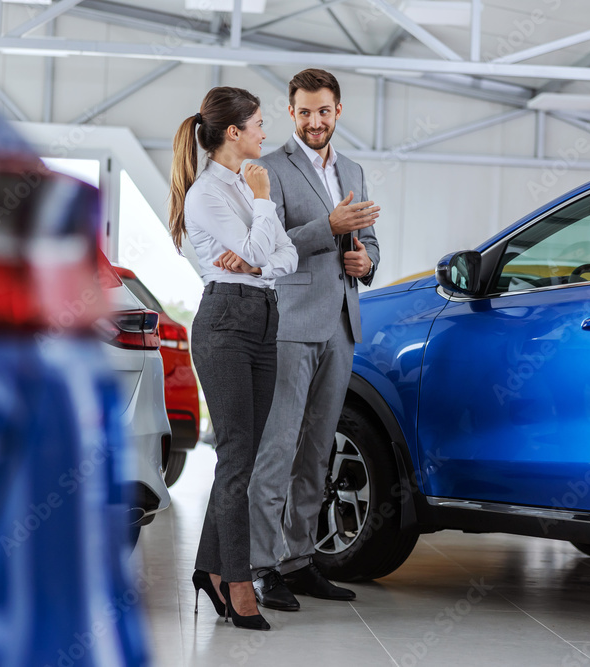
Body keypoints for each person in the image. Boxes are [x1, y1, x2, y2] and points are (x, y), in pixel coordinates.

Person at [248, 69, 380, 611]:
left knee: (318, 451)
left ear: (338, 111)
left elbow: (368, 240)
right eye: (304, 112)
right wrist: (328, 225)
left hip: (342, 325)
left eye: (323, 111)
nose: (314, 121)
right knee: (276, 450)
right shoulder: (269, 169)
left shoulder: (352, 169)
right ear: (291, 113)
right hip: (292, 323)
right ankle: (259, 568)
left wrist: (367, 260)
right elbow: (268, 246)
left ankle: (299, 560)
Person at [169, 86, 298, 631]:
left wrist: (255, 256)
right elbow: (252, 251)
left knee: (243, 454)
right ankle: (238, 581)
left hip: (263, 318)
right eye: (259, 124)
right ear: (233, 133)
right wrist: (263, 207)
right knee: (237, 457)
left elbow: (283, 257)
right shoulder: (208, 193)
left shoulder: (244, 188)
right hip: (224, 323)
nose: (265, 134)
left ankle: (209, 568)